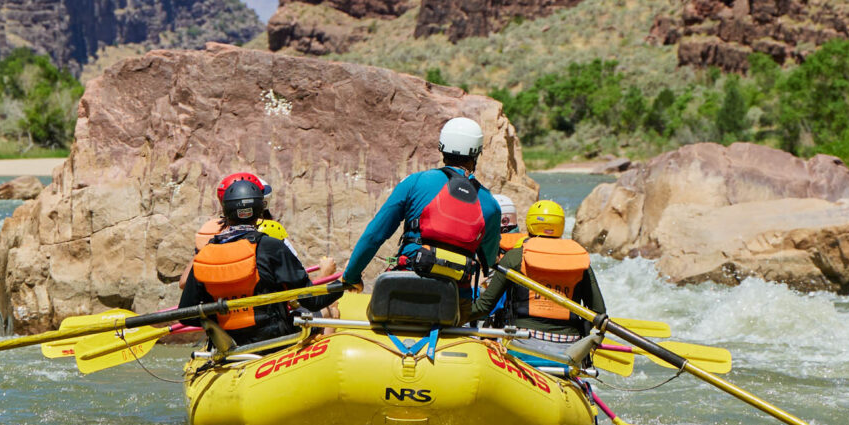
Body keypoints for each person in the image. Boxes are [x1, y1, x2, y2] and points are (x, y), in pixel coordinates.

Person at [340, 117, 502, 294]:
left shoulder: (414, 182)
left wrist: (351, 276)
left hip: (407, 284)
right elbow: (489, 260)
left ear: (441, 148)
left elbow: (374, 235)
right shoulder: (490, 204)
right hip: (453, 298)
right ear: (476, 153)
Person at [179, 179, 335, 346]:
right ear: (260, 212)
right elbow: (311, 302)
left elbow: (187, 314)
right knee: (329, 312)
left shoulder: (206, 253)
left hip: (229, 343)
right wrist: (342, 284)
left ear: (226, 213)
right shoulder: (272, 247)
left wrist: (220, 318)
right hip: (273, 340)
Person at [470, 199, 605, 336]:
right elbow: (599, 312)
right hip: (569, 344)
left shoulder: (515, 257)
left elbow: (484, 307)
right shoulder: (580, 260)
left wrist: (455, 316)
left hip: (522, 340)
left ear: (530, 224)